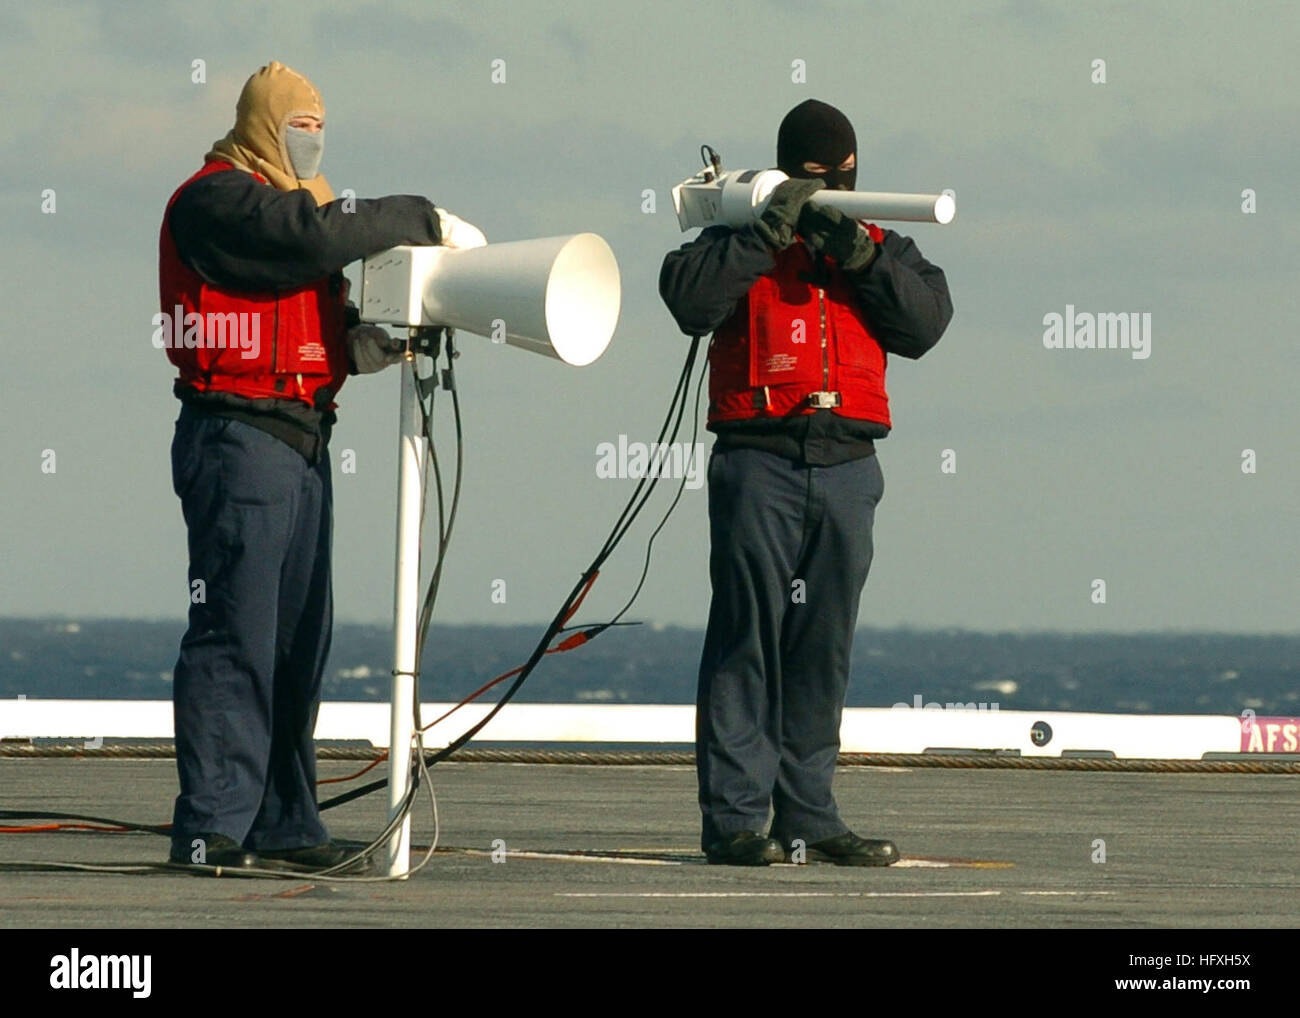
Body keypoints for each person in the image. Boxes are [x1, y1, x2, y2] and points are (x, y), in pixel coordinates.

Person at [158, 61, 480, 871]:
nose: (312, 138)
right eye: (299, 123)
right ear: (264, 124)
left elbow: (307, 295)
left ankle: (281, 820)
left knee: (297, 638)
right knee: (236, 631)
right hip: (238, 435)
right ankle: (212, 825)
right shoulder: (217, 199)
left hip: (298, 437)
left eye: (320, 124)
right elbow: (298, 240)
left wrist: (362, 346)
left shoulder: (291, 213)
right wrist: (418, 217)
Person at [658, 99, 953, 866]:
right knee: (746, 635)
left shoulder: (885, 247)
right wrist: (763, 237)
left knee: (824, 644)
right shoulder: (733, 241)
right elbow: (688, 300)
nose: (830, 184)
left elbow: (925, 325)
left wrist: (862, 258)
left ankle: (809, 815)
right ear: (786, 172)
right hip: (759, 459)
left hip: (849, 464)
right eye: (813, 175)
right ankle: (734, 818)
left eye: (840, 173)